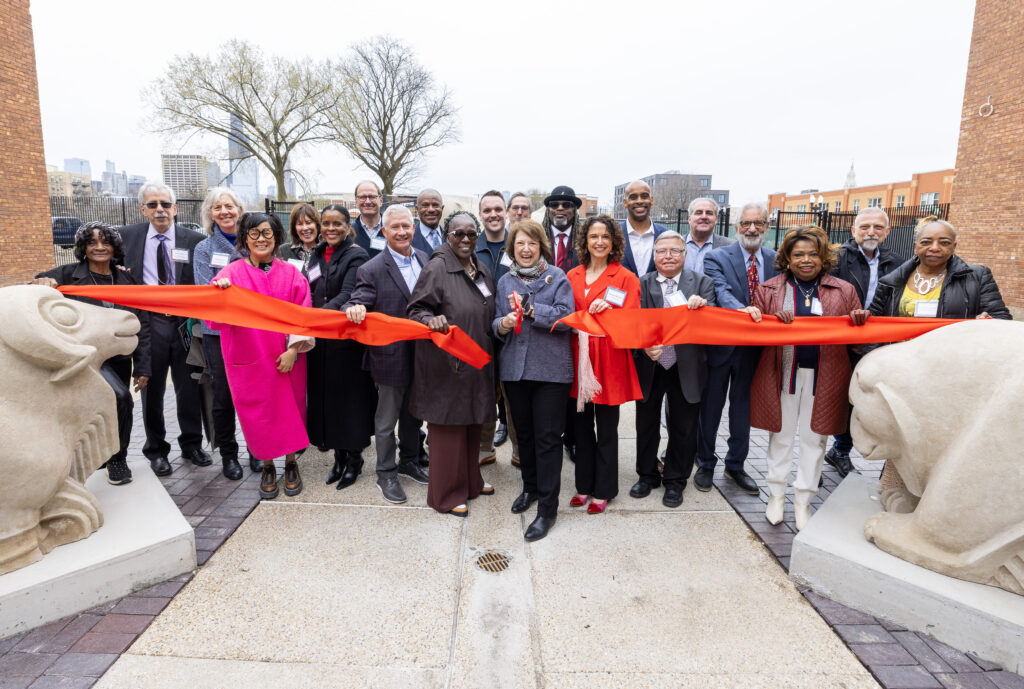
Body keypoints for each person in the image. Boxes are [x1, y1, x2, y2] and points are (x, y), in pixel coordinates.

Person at [745, 226, 869, 530]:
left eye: (813, 254)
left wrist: (859, 322)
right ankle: (776, 495)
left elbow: (857, 341)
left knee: (816, 440)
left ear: (823, 257)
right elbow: (755, 335)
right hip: (783, 374)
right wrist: (769, 320)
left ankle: (803, 500)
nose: (806, 260)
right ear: (786, 258)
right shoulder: (769, 289)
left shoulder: (843, 290)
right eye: (798, 254)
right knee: (781, 437)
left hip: (826, 377)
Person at [33, 222, 151, 485]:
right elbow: (35, 283)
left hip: (118, 359)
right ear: (83, 248)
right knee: (120, 398)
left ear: (114, 247)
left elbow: (140, 325)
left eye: (105, 242)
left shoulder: (126, 280)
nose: (99, 247)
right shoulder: (67, 275)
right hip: (85, 358)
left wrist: (142, 366)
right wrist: (42, 281)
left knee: (117, 405)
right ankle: (113, 460)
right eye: (92, 242)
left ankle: (115, 458)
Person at [208, 212, 314, 500]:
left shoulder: (292, 273)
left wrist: (294, 349)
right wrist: (219, 296)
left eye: (267, 233)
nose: (261, 240)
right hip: (249, 360)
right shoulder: (230, 275)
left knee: (291, 409)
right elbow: (213, 320)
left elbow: (303, 314)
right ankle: (267, 465)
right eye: (253, 234)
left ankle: (291, 464)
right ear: (244, 238)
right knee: (259, 416)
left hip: (287, 359)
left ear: (277, 237)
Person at [407, 211, 497, 517]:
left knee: (472, 425)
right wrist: (429, 318)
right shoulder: (436, 268)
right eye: (459, 234)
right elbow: (416, 309)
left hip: (476, 363)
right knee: (448, 432)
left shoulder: (481, 268)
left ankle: (471, 482)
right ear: (448, 236)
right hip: (447, 365)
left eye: (472, 234)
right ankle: (445, 495)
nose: (466, 240)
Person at [118, 182, 209, 477]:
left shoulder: (194, 240)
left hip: (183, 323)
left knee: (188, 388)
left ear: (175, 208)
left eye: (165, 204)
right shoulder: (126, 237)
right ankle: (156, 450)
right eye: (153, 204)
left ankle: (192, 444)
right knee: (152, 390)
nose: (160, 210)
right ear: (143, 209)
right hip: (148, 323)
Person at [343, 205, 431, 504]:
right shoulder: (372, 268)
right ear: (384, 231)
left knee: (413, 416)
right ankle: (386, 473)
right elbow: (358, 300)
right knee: (386, 421)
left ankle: (409, 461)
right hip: (389, 358)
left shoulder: (424, 258)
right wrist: (353, 309)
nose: (402, 232)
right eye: (395, 227)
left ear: (414, 228)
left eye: (406, 226)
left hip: (421, 356)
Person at [492, 219, 574, 541]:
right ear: (512, 248)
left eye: (532, 244)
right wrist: (502, 324)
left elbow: (566, 317)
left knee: (547, 439)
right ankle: (531, 489)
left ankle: (548, 509)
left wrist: (530, 310)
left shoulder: (558, 278)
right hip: (515, 370)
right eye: (520, 244)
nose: (526, 250)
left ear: (542, 247)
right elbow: (495, 321)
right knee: (523, 436)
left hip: (551, 373)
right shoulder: (504, 282)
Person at [630, 231, 716, 507]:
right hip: (651, 363)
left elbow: (712, 325)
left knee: (684, 427)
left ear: (684, 254)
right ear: (654, 256)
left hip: (686, 365)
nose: (667, 256)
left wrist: (703, 309)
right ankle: (646, 475)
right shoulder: (641, 284)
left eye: (674, 251)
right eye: (661, 251)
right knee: (646, 424)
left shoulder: (702, 284)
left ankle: (676, 481)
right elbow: (633, 323)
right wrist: (643, 346)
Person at [699, 202, 779, 495]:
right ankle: (705, 462)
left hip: (755, 350)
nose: (752, 229)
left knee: (742, 410)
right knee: (711, 408)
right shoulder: (717, 256)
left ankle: (735, 465)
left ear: (767, 227)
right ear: (736, 227)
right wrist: (744, 311)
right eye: (746, 223)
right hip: (721, 346)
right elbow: (720, 291)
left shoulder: (777, 260)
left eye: (758, 223)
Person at [565, 214, 643, 514]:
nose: (599, 242)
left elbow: (633, 323)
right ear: (585, 241)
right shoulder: (572, 275)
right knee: (580, 429)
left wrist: (610, 310)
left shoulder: (625, 278)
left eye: (605, 237)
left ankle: (605, 489)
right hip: (578, 359)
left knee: (607, 429)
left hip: (608, 359)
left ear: (613, 243)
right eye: (593, 236)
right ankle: (583, 485)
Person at [305, 204, 378, 491]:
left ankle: (354, 458)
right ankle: (337, 456)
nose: (331, 229)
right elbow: (307, 289)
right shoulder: (314, 254)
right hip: (319, 343)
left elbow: (348, 294)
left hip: (345, 342)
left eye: (337, 223)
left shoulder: (356, 254)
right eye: (326, 223)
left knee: (349, 403)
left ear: (348, 226)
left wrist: (315, 318)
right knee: (326, 400)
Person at [825, 207, 902, 477]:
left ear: (887, 232)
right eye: (865, 226)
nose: (871, 232)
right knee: (836, 398)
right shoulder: (835, 258)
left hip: (878, 342)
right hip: (840, 340)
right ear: (853, 230)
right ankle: (833, 451)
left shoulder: (898, 263)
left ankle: (842, 450)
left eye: (878, 227)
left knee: (867, 399)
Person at [192, 187, 247, 479]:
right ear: (210, 214)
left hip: (254, 332)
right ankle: (229, 454)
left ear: (239, 208)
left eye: (229, 205)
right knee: (223, 395)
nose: (224, 211)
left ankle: (258, 448)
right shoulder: (204, 249)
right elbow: (206, 292)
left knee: (253, 393)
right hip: (218, 335)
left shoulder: (254, 241)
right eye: (217, 208)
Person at [868, 216, 1010, 321]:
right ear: (915, 247)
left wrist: (988, 320)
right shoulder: (889, 282)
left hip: (952, 357)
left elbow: (1001, 318)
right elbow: (875, 325)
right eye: (926, 242)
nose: (935, 248)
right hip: (902, 358)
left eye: (944, 243)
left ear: (954, 247)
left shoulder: (977, 277)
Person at [542, 185, 583, 463]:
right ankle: (551, 437)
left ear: (574, 209)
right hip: (547, 322)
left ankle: (575, 438)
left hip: (580, 323)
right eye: (555, 204)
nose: (560, 209)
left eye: (566, 204)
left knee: (576, 384)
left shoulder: (585, 239)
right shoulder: (539, 238)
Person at [475, 190, 516, 465]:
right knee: (485, 392)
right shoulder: (469, 245)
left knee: (514, 395)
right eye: (487, 210)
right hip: (480, 332)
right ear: (481, 214)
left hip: (515, 332)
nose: (493, 214)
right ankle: (483, 448)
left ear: (506, 212)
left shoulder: (518, 244)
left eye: (498, 209)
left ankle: (519, 448)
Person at [619, 180, 669, 276]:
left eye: (644, 196)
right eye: (633, 197)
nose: (639, 201)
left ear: (651, 200)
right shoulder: (612, 234)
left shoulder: (665, 235)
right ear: (625, 202)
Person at [683, 197, 734, 275]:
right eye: (699, 212)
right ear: (689, 219)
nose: (704, 217)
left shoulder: (730, 247)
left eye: (709, 213)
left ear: (716, 219)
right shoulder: (675, 244)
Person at [278, 203, 320, 275]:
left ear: (317, 225)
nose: (305, 228)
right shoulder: (283, 251)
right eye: (300, 224)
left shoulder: (327, 250)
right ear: (295, 228)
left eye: (308, 223)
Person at [351, 180, 385, 258]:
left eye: (372, 197)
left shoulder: (392, 230)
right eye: (362, 197)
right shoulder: (349, 233)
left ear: (381, 200)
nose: (367, 201)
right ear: (356, 201)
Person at [413, 188, 444, 254]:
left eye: (435, 205)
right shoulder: (408, 239)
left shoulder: (451, 237)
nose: (431, 210)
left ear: (442, 208)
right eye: (425, 205)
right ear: (417, 209)